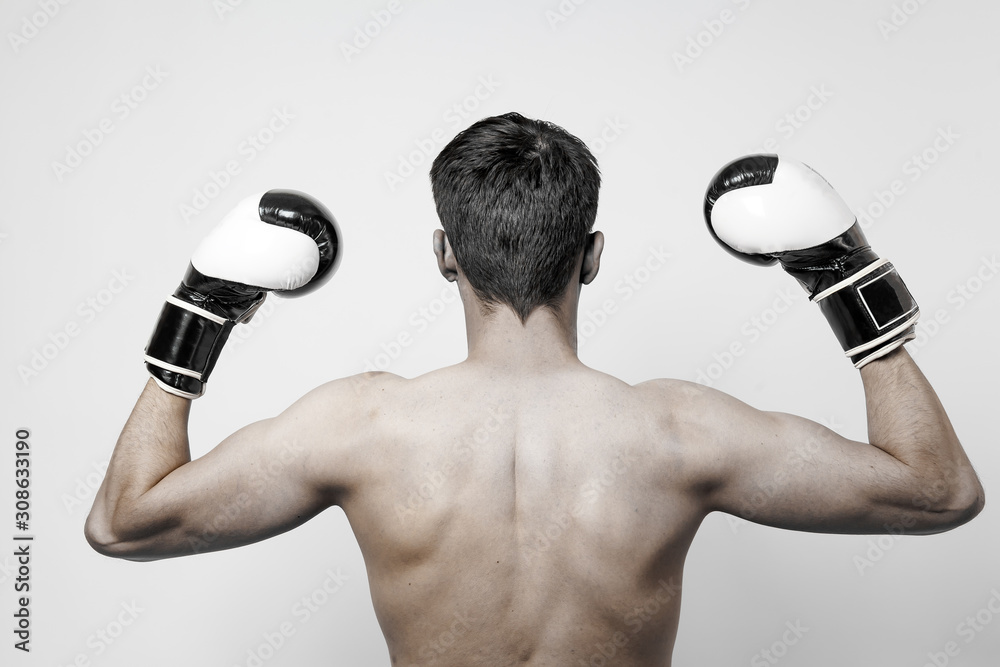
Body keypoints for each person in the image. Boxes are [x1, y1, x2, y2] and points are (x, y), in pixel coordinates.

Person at [85, 113, 984, 666]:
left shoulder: (358, 426)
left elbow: (123, 521)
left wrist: (200, 309)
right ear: (592, 255)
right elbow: (939, 490)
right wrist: (847, 281)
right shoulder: (679, 431)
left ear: (445, 255)